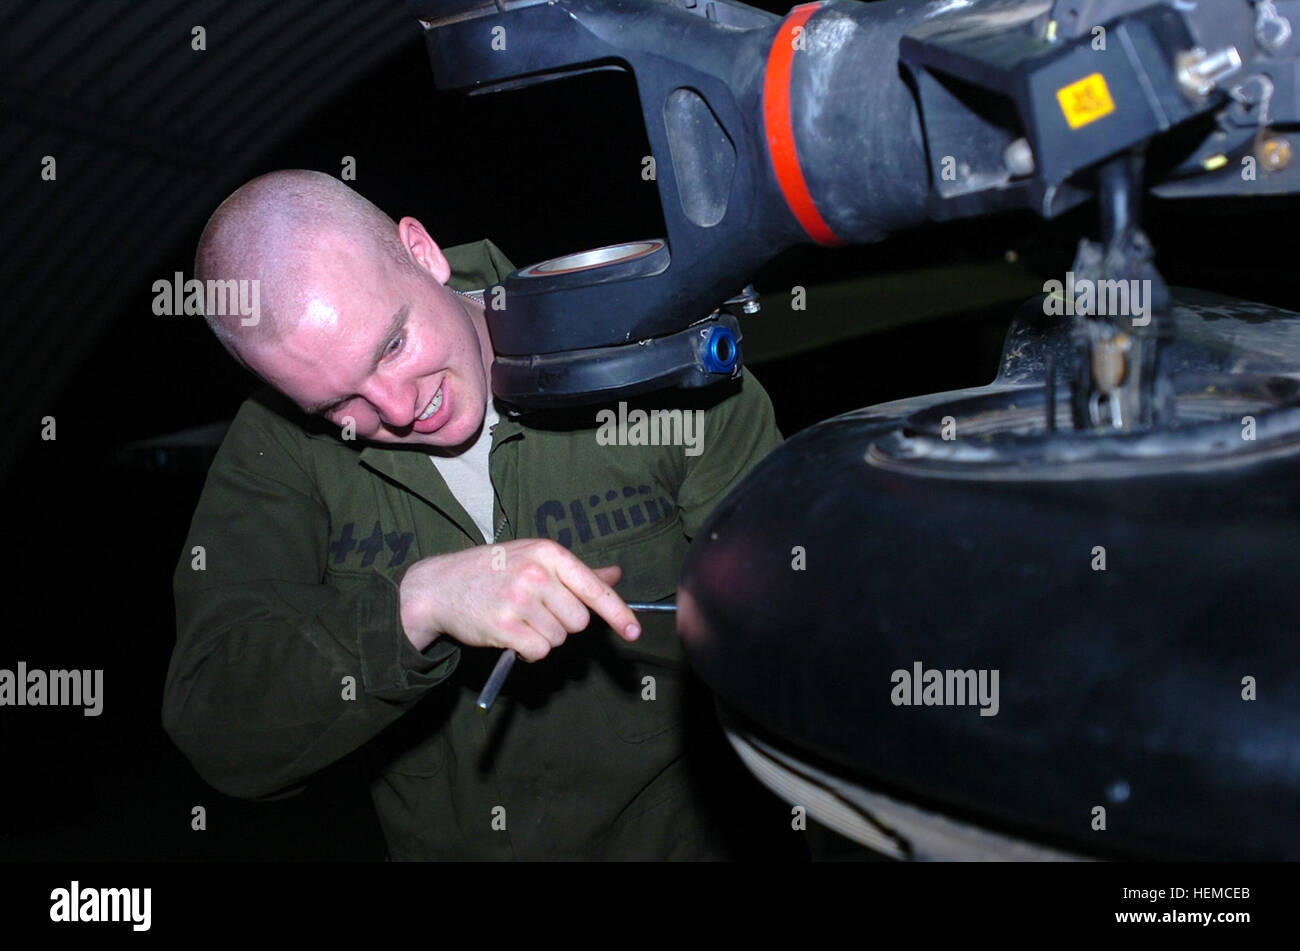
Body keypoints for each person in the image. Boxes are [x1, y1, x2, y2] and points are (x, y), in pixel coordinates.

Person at [162, 169, 795, 860]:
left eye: (393, 346)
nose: (398, 410)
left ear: (422, 251)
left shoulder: (633, 343)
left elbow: (799, 612)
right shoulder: (279, 444)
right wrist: (414, 606)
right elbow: (219, 727)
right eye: (341, 405)